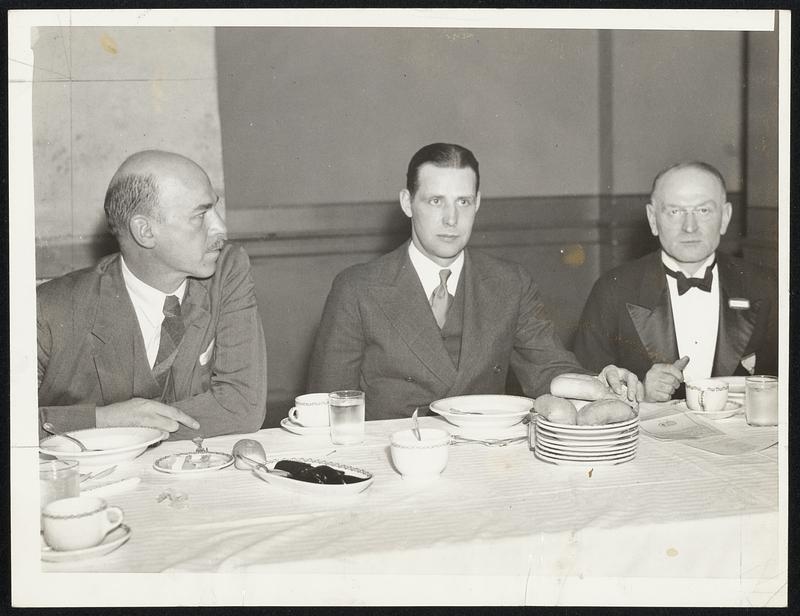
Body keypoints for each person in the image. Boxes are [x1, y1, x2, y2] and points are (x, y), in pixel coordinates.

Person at [308, 142, 641, 420]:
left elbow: (548, 365)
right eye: (436, 201)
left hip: (483, 455)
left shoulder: (510, 283)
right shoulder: (357, 288)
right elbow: (327, 406)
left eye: (463, 202)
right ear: (408, 203)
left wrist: (599, 383)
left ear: (477, 203)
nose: (451, 219)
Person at [37, 150, 268, 439]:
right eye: (200, 216)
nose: (220, 227)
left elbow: (242, 407)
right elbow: (14, 425)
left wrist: (128, 429)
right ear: (144, 231)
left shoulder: (226, 271)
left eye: (215, 209)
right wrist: (104, 420)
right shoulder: (48, 311)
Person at [574, 161, 777, 402]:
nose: (689, 227)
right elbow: (582, 390)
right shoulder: (613, 290)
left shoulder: (765, 287)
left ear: (725, 217)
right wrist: (640, 392)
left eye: (703, 211)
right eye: (675, 211)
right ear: (652, 219)